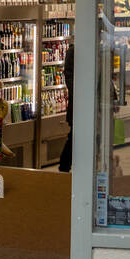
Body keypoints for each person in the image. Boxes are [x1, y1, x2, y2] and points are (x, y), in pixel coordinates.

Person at [57, 43, 74, 172]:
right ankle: (64, 167)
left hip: (92, 105)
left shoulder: (98, 49)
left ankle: (65, 166)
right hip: (80, 105)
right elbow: (68, 76)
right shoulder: (74, 51)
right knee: (74, 138)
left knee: (74, 138)